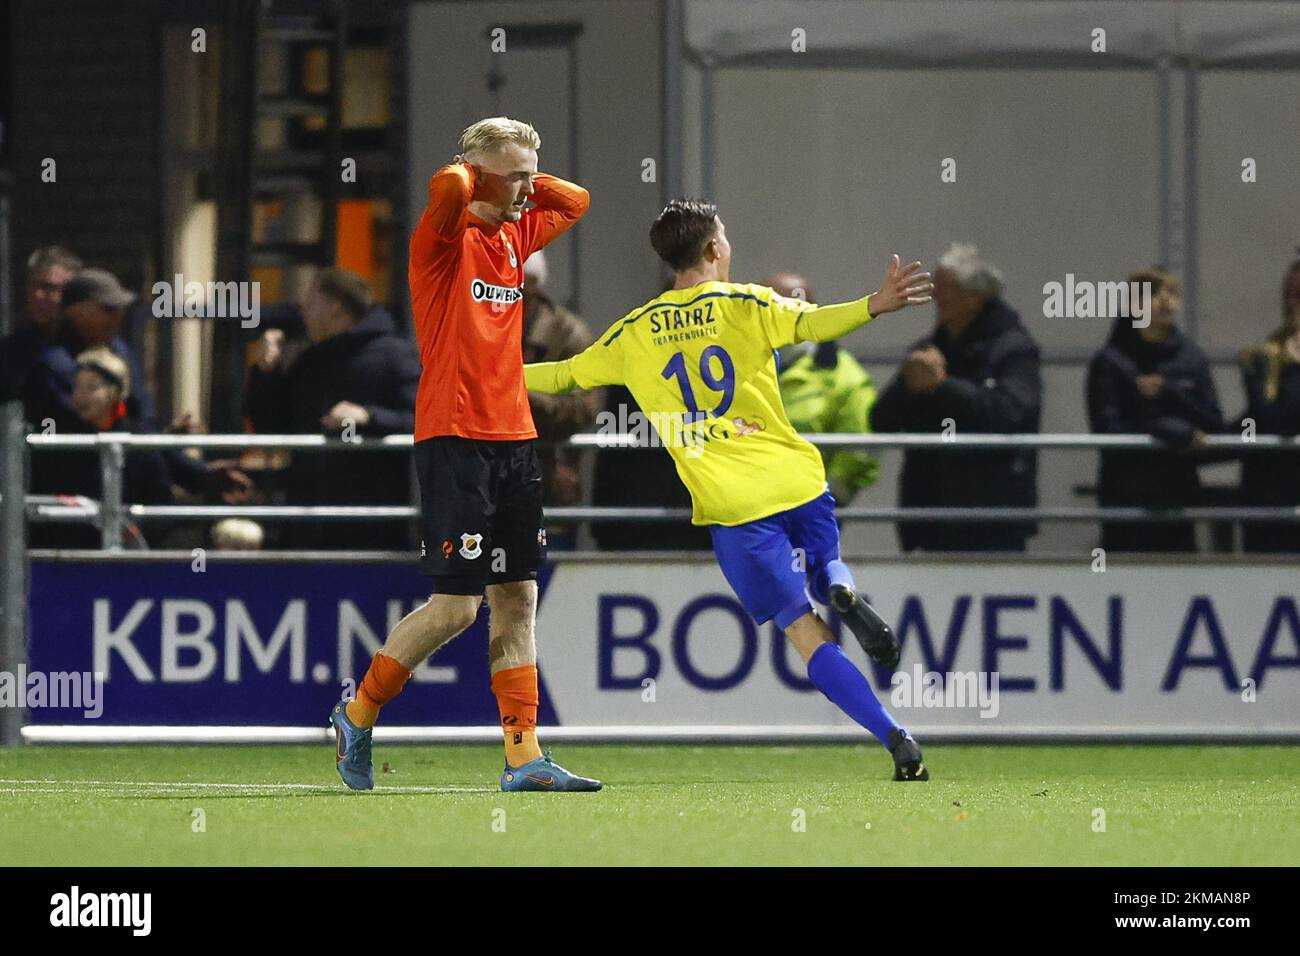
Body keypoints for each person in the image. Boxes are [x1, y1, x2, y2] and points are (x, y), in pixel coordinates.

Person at [524, 199, 935, 782]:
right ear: (714, 249)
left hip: (733, 505)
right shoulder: (748, 303)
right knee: (826, 565)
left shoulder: (636, 331)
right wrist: (875, 303)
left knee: (803, 629)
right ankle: (839, 584)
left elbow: (565, 376)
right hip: (794, 476)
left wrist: (494, 372)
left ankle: (895, 737)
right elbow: (813, 324)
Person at [329, 117, 601, 792]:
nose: (528, 189)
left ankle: (523, 756)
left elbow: (577, 201)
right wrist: (471, 176)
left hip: (516, 441)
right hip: (455, 438)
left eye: (530, 175)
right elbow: (445, 189)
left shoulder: (518, 230)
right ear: (477, 175)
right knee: (457, 608)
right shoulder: (443, 240)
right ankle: (357, 711)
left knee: (517, 600)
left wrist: (520, 176)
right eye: (514, 176)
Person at [871, 243, 1041, 551]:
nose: (936, 297)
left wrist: (945, 386)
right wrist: (908, 387)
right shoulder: (927, 350)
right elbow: (880, 421)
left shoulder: (1014, 350)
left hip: (991, 520)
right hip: (927, 518)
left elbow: (1010, 416)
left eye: (946, 288)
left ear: (975, 296)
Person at [246, 267, 421, 550]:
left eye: (310, 303)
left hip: (370, 531)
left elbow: (423, 418)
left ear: (334, 309)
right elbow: (272, 424)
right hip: (306, 527)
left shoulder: (393, 356)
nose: (302, 312)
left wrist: (368, 416)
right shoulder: (312, 360)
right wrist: (267, 373)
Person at [1087, 268, 1223, 552]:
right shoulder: (1110, 362)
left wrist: (1171, 395)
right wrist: (1158, 429)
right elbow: (1107, 434)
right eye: (1153, 294)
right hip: (1125, 499)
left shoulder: (1191, 358)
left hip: (1178, 497)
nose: (1164, 301)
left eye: (1172, 293)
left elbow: (1214, 424)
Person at [28, 347, 172, 549]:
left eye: (92, 387)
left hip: (125, 560)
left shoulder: (138, 442)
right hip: (66, 558)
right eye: (76, 387)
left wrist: (135, 537)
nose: (80, 396)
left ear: (115, 391)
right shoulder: (63, 441)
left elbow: (160, 507)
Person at [767, 272, 880, 506]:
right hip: (737, 510)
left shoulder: (844, 376)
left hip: (805, 511)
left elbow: (858, 448)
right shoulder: (731, 365)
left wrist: (827, 498)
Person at [521, 249, 601, 549]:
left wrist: (520, 395)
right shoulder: (477, 326)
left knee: (537, 582)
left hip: (546, 486)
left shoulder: (568, 334)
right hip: (481, 489)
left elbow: (583, 407)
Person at [1236, 254, 1300, 553]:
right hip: (1270, 511)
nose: (1294, 306)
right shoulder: (1261, 358)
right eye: (1291, 297)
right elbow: (1269, 419)